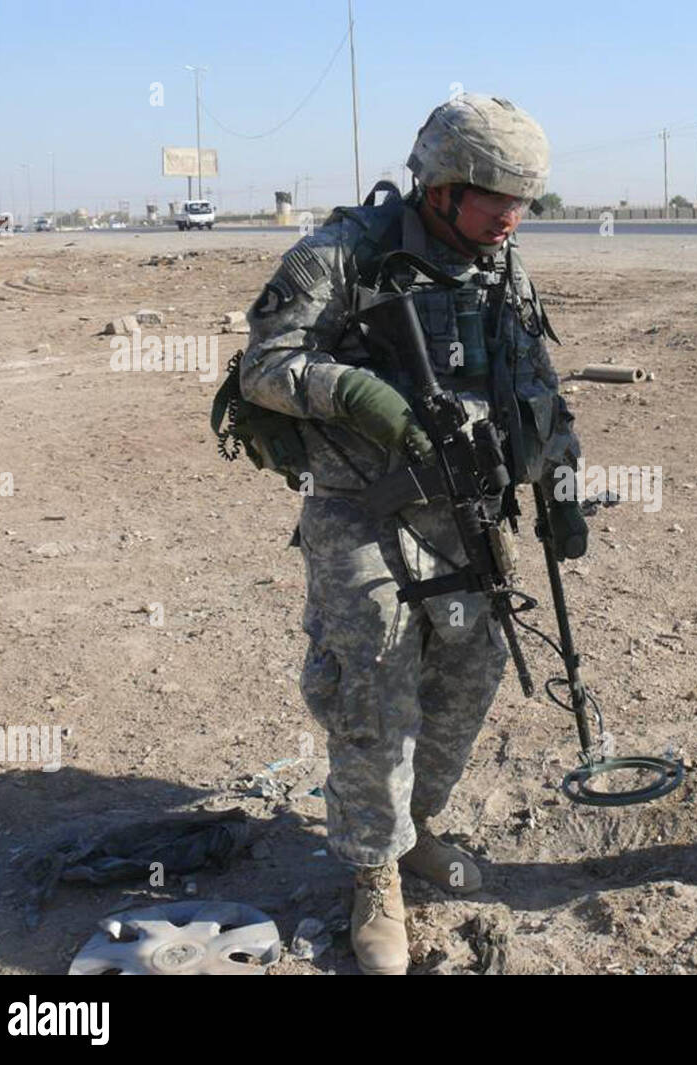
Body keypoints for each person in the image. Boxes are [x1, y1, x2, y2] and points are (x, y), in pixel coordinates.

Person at [239, 93, 585, 971]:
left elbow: (534, 375)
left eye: (523, 200)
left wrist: (563, 478)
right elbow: (266, 365)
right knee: (374, 681)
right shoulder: (342, 255)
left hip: (463, 507)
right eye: (496, 197)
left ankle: (413, 825)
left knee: (473, 668)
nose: (513, 216)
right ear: (440, 187)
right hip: (358, 504)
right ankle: (373, 874)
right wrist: (356, 393)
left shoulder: (500, 263)